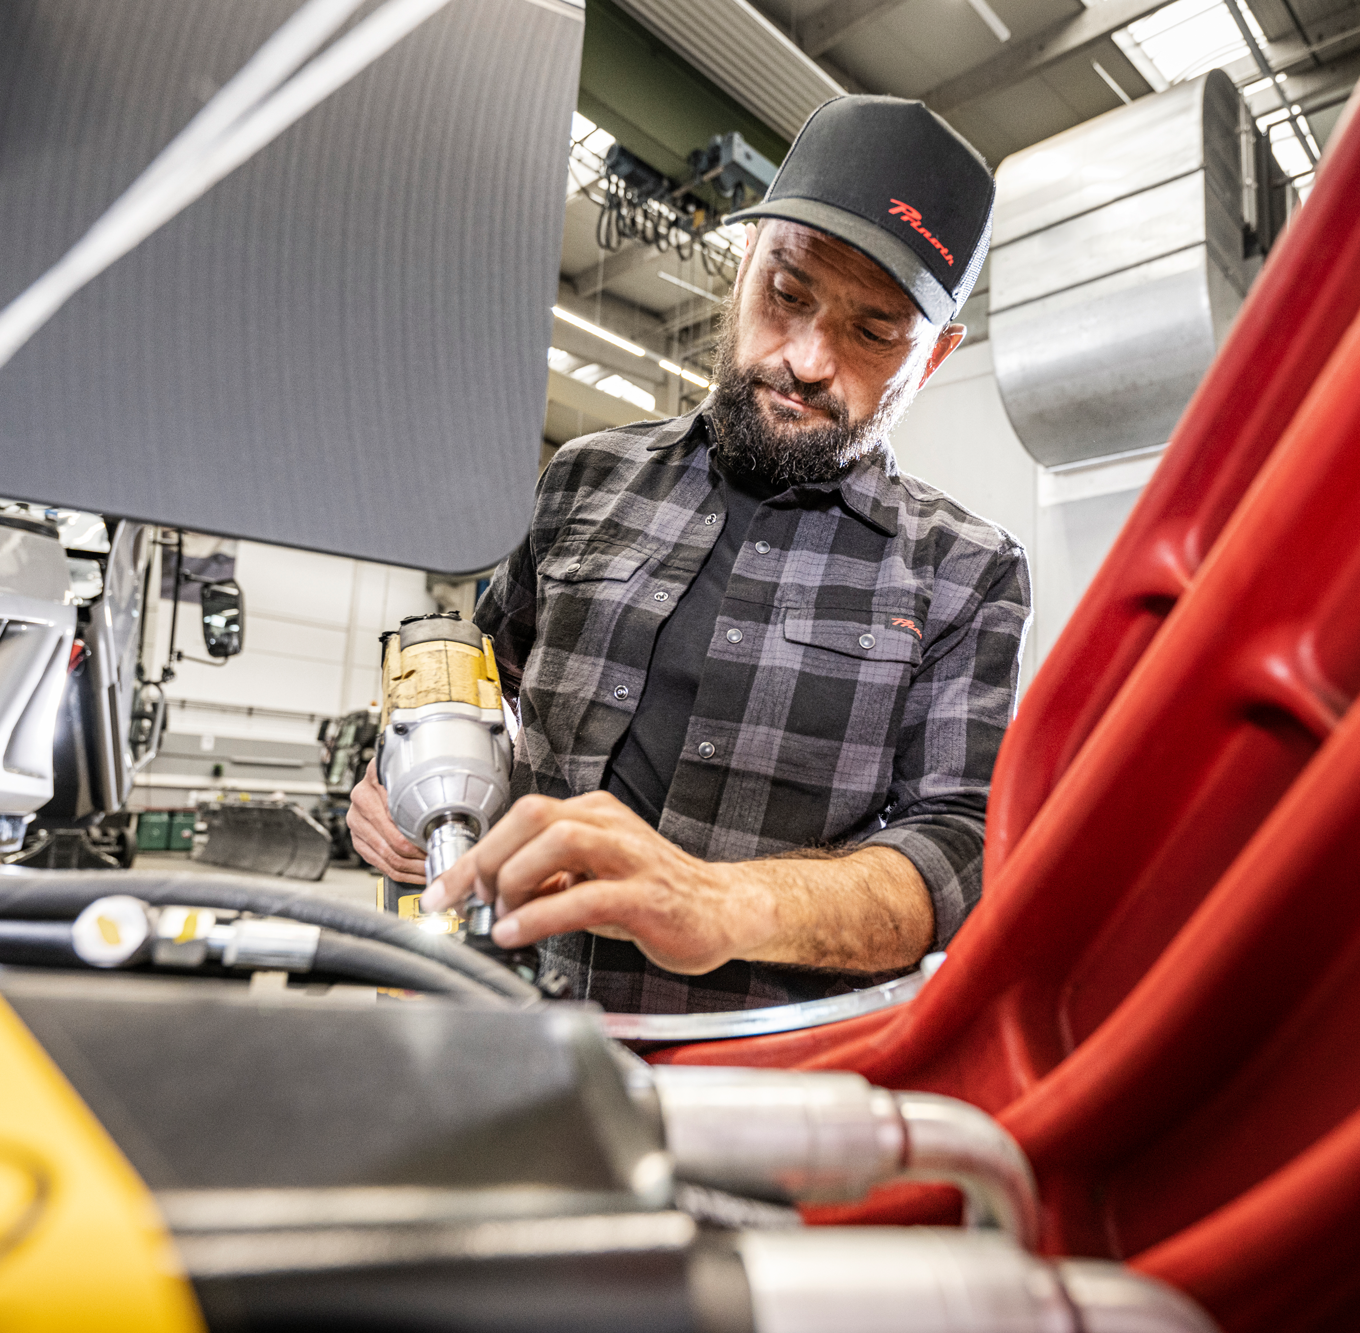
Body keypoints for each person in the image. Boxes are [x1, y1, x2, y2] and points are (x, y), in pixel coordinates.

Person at [350, 95, 1030, 1014]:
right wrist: (401, 778)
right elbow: (476, 687)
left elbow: (955, 852)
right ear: (745, 264)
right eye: (788, 293)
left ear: (934, 356)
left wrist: (723, 903)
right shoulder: (583, 479)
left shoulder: (966, 573)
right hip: (505, 1019)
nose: (807, 358)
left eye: (873, 333)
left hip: (752, 1066)